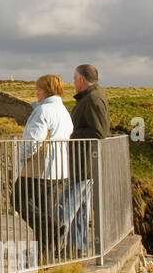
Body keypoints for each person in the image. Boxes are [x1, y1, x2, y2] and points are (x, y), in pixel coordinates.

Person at [12, 74, 74, 261]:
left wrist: (21, 156)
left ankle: (53, 228)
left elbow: (33, 141)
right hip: (59, 168)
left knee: (17, 199)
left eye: (38, 89)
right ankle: (44, 254)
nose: (36, 92)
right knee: (44, 207)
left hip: (39, 167)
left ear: (46, 90)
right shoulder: (64, 111)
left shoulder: (42, 111)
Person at [58, 64, 111, 253]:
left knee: (64, 208)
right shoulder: (92, 97)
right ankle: (77, 248)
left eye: (74, 78)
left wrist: (72, 135)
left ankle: (52, 245)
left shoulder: (92, 100)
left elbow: (99, 132)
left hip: (83, 163)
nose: (73, 83)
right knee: (80, 210)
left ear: (81, 79)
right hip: (85, 163)